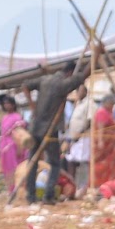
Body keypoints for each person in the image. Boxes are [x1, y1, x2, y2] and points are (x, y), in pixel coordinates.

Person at [23, 61, 87, 204]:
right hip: (49, 129)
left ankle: (30, 196)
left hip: (35, 127)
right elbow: (81, 77)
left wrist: (32, 106)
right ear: (69, 73)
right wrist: (97, 53)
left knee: (32, 162)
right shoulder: (62, 85)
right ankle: (48, 196)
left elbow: (25, 85)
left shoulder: (45, 79)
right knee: (55, 163)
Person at [0, 94, 26, 192]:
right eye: (5, 104)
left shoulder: (17, 117)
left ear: (13, 105)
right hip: (4, 146)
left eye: (9, 103)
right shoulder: (4, 117)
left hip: (13, 146)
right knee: (7, 169)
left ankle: (17, 188)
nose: (7, 105)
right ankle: (10, 189)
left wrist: (19, 148)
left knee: (15, 167)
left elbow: (20, 133)